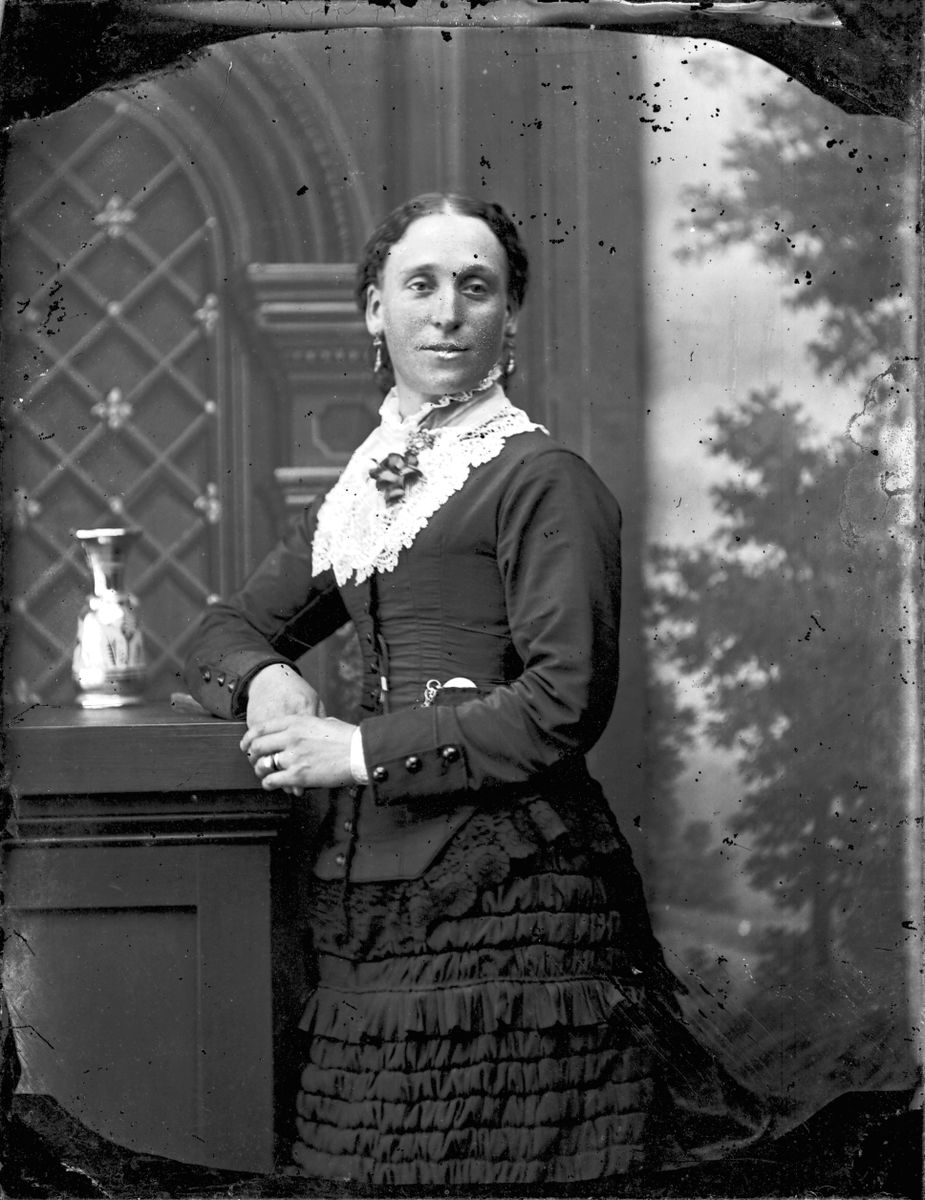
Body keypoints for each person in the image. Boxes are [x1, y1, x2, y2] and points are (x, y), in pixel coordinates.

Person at [184, 193, 768, 1188]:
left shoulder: (543, 479)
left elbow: (562, 701)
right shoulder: (371, 492)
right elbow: (213, 638)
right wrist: (271, 676)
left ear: (508, 316)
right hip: (367, 907)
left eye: (475, 286)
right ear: (375, 311)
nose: (446, 311)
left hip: (513, 894)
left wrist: (357, 752)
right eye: (419, 285)